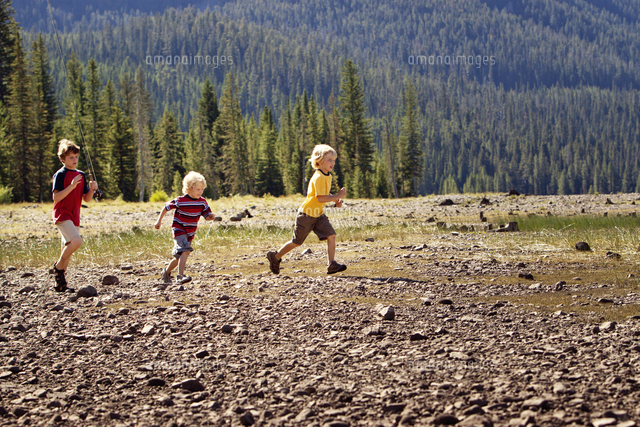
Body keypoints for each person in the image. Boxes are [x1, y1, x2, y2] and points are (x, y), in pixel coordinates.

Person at [267, 144, 347, 275]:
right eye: (329, 160)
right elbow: (320, 198)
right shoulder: (319, 177)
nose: (332, 163)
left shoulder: (328, 176)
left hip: (318, 214)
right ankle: (275, 257)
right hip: (306, 215)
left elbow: (324, 194)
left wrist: (335, 200)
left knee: (331, 235)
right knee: (297, 242)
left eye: (334, 160)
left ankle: (331, 264)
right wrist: (337, 196)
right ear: (319, 161)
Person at [50, 139, 99, 292]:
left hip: (74, 215)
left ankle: (61, 283)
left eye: (76, 156)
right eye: (71, 157)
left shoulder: (81, 174)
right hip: (61, 214)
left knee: (67, 248)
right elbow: (56, 198)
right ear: (62, 159)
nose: (74, 160)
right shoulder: (60, 175)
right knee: (76, 242)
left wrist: (92, 189)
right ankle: (58, 267)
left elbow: (86, 199)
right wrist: (71, 186)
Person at [155, 171, 215, 284]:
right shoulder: (180, 201)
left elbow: (206, 215)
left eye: (202, 189)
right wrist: (159, 221)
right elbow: (166, 207)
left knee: (179, 257)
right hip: (179, 230)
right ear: (189, 188)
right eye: (198, 189)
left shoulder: (202, 202)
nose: (200, 192)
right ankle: (180, 276)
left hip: (190, 232)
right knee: (186, 252)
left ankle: (166, 272)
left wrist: (210, 217)